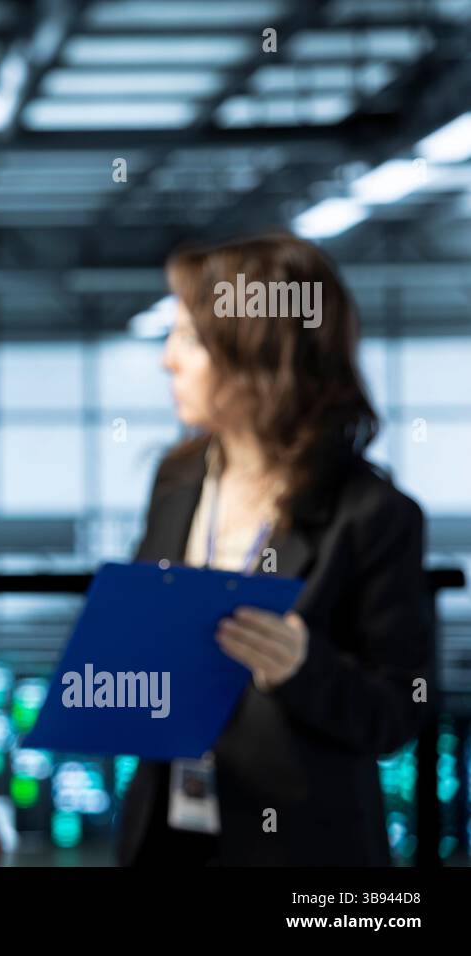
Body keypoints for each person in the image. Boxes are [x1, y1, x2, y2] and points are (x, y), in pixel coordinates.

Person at [118, 233, 435, 866]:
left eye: (189, 339)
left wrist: (304, 669)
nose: (167, 361)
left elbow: (404, 709)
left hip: (302, 850)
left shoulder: (371, 516)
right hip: (169, 836)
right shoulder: (178, 480)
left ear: (257, 356)